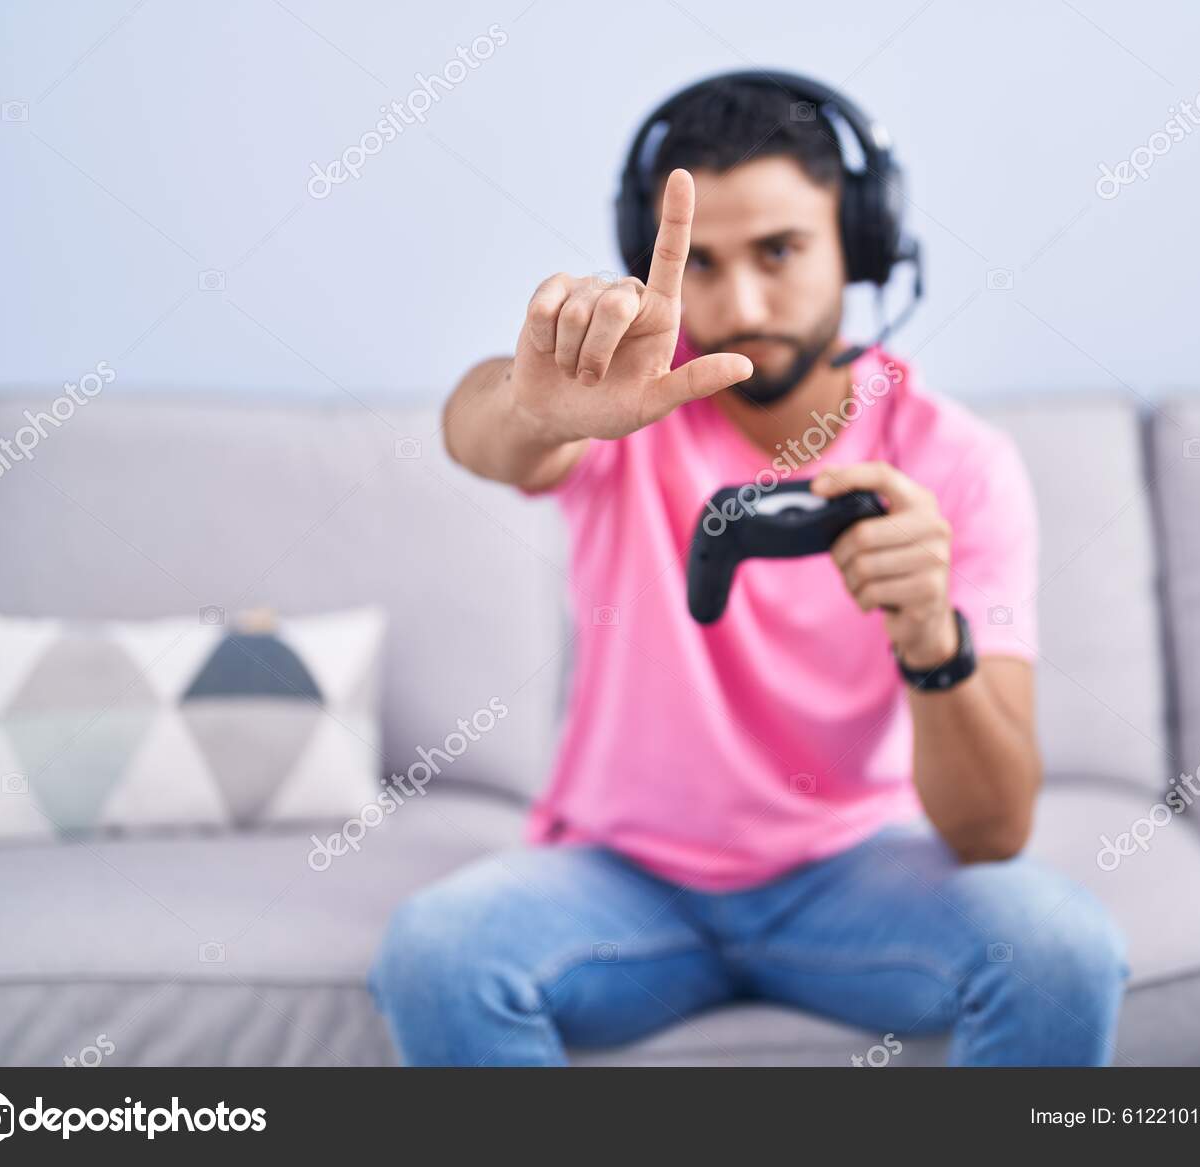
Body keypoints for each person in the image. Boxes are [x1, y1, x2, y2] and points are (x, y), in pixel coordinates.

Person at [367, 71, 1128, 1066]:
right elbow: (479, 436)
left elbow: (991, 833)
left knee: (1061, 952)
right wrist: (532, 406)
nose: (741, 304)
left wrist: (930, 635)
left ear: (859, 240)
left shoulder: (960, 463)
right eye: (705, 265)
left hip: (853, 872)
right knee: (434, 954)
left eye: (779, 250)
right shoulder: (627, 403)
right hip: (620, 878)